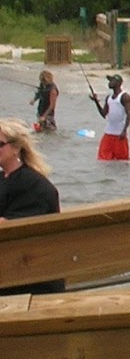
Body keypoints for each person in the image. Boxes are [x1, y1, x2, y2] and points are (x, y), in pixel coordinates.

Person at [0, 120, 64, 293]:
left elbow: (9, 226)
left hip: (30, 277)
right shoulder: (5, 178)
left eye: (0, 145)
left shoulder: (33, 185)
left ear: (16, 148)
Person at [91, 74, 130, 161]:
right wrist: (96, 102)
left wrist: (124, 130)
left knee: (122, 160)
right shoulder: (108, 98)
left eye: (112, 81)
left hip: (120, 135)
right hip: (108, 134)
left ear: (118, 83)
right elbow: (104, 114)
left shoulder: (124, 97)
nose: (109, 83)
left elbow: (129, 114)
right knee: (103, 159)